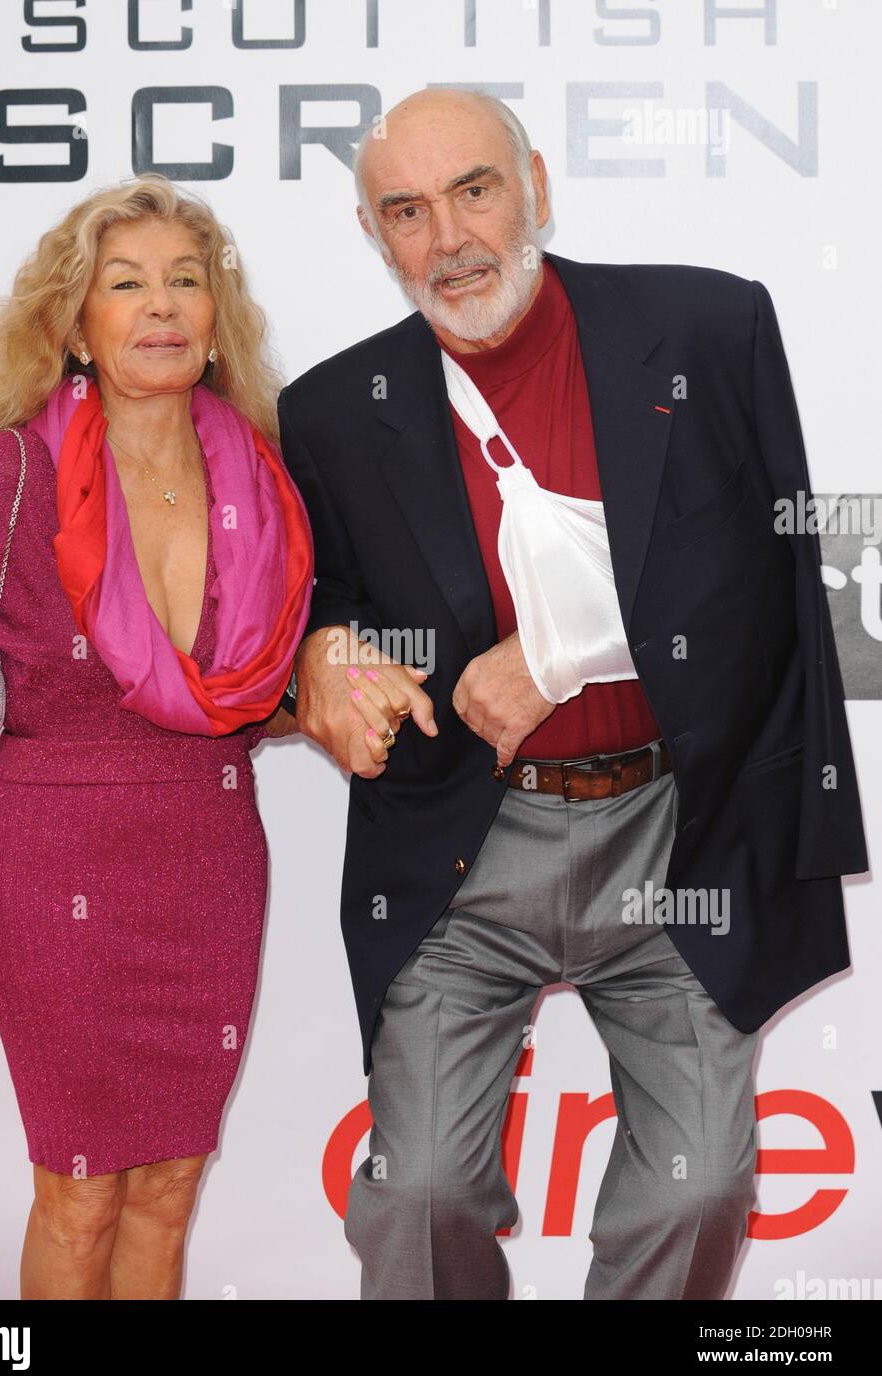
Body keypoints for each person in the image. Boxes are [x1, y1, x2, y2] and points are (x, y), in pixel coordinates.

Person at [276, 87, 869, 1299]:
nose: (448, 238)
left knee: (701, 1180)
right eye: (406, 210)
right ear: (372, 234)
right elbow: (318, 602)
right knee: (421, 1191)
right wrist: (321, 656)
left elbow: (767, 576)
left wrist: (557, 654)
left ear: (536, 184)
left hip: (673, 823)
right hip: (466, 844)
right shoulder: (334, 412)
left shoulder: (706, 327)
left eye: (474, 190)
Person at [0, 174, 312, 1299]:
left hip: (210, 855)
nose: (161, 306)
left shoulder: (263, 484)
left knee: (171, 1181)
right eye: (125, 285)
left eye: (187, 279)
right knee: (77, 1187)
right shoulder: (11, 471)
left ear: (218, 315)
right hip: (51, 856)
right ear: (75, 322)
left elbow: (264, 691)